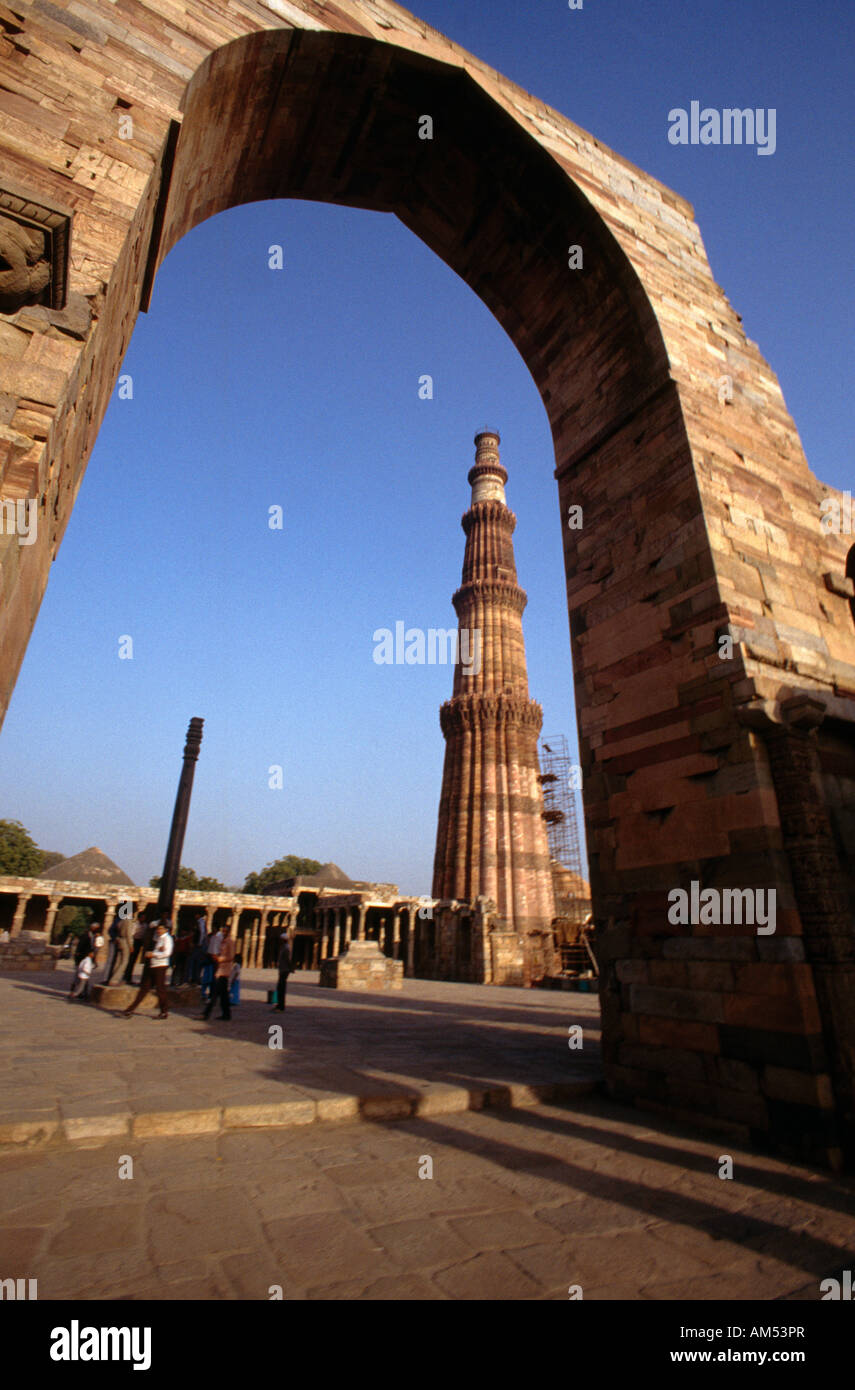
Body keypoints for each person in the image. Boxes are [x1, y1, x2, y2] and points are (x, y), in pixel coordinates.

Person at [122, 919, 173, 1019]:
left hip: (160, 966)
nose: (159, 930)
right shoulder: (158, 938)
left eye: (161, 929)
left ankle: (164, 1011)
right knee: (144, 988)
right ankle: (130, 1009)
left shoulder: (167, 939)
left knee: (160, 989)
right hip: (153, 965)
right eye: (158, 929)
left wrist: (153, 954)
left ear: (166, 930)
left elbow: (167, 953)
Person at [201, 922, 235, 1021]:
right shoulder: (222, 941)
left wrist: (220, 959)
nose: (224, 932)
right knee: (223, 994)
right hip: (219, 968)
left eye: (225, 930)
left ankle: (206, 1013)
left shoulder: (230, 942)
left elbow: (231, 956)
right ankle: (226, 1014)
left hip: (224, 970)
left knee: (214, 993)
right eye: (223, 930)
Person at [106, 909, 133, 987]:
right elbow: (128, 934)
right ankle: (115, 979)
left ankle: (112, 978)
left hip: (119, 940)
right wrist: (131, 945)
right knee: (124, 961)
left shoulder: (120, 921)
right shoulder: (128, 921)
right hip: (125, 941)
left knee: (118, 961)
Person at [124, 913, 147, 985]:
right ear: (139, 918)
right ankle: (126, 977)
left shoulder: (145, 925)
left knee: (134, 960)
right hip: (134, 941)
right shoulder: (135, 924)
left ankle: (129, 977)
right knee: (130, 960)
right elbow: (131, 935)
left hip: (139, 942)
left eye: (144, 917)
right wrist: (131, 946)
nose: (143, 919)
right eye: (142, 917)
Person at [271, 932, 291, 1012]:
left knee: (281, 988)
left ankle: (281, 1007)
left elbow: (287, 960)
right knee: (279, 988)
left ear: (284, 940)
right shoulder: (283, 947)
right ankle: (279, 1005)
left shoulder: (286, 948)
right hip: (282, 970)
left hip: (284, 970)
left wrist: (289, 969)